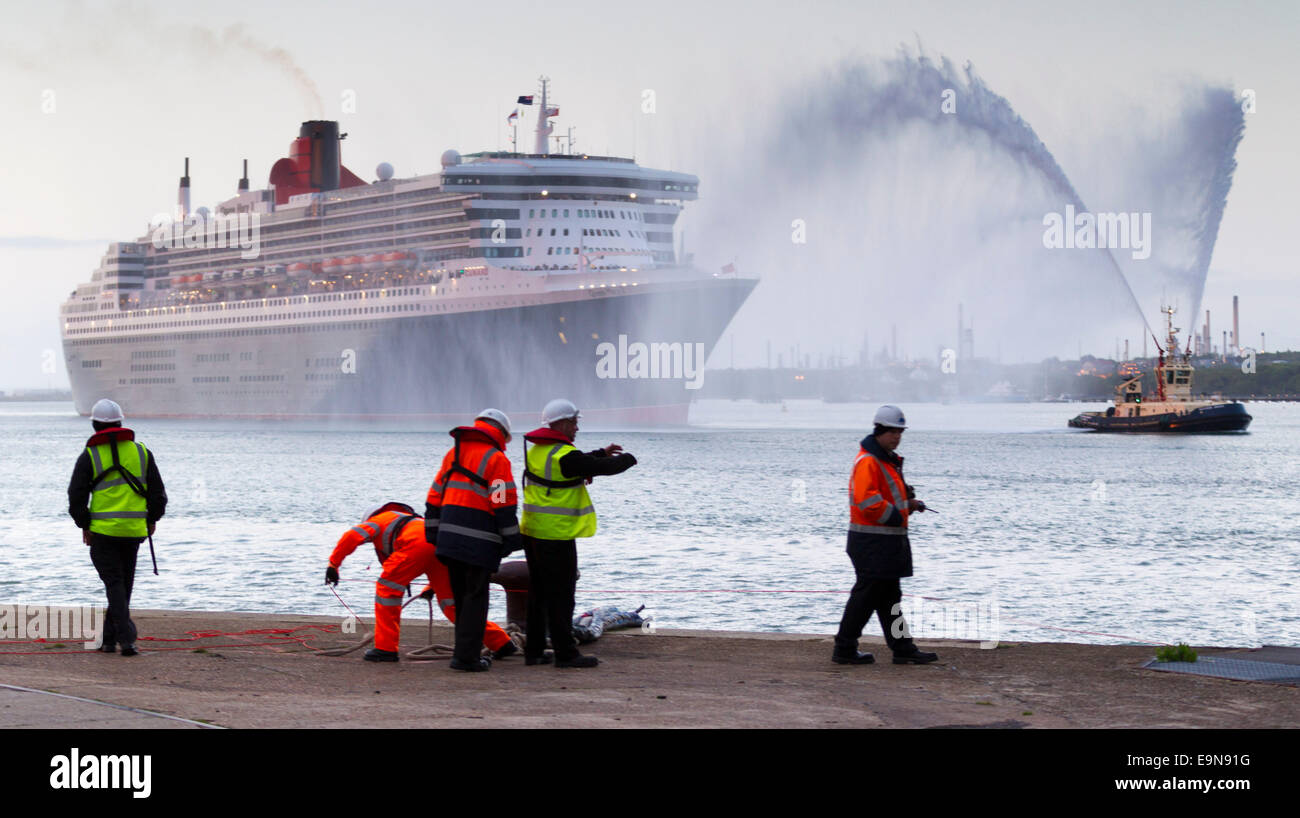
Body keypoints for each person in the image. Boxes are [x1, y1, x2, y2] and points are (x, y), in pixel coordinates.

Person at [520, 399, 636, 669]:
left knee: (538, 594)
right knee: (562, 596)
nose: (576, 428)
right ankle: (566, 653)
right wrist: (628, 459)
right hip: (556, 536)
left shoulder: (538, 451)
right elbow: (595, 467)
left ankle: (534, 651)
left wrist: (600, 453)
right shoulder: (564, 456)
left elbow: (578, 463)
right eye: (573, 422)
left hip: (532, 532)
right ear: (560, 424)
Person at [324, 502, 516, 662]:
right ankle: (500, 642)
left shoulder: (377, 521)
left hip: (415, 547)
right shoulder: (413, 521)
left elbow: (352, 536)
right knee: (452, 605)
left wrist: (333, 564)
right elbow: (429, 556)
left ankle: (386, 649)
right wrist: (432, 586)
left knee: (387, 590)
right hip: (440, 546)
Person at [832, 405, 938, 666]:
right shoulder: (869, 461)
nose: (897, 437)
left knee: (888, 597)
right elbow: (868, 502)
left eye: (900, 432)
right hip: (872, 541)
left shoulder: (885, 460)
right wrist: (901, 511)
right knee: (866, 597)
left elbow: (885, 497)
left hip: (884, 541)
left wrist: (907, 503)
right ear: (879, 431)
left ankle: (902, 648)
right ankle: (845, 648)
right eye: (892, 432)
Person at [67, 398, 167, 657]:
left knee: (114, 584)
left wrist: (84, 525)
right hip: (133, 533)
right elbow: (158, 495)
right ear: (121, 422)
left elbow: (76, 497)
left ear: (94, 426)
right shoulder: (142, 453)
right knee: (122, 585)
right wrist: (152, 519)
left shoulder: (90, 456)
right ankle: (109, 641)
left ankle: (127, 639)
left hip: (103, 533)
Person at [427, 409, 521, 672]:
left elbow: (434, 496)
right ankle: (466, 659)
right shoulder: (497, 458)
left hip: (449, 541)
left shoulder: (453, 454)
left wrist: (434, 534)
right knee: (475, 600)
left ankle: (463, 652)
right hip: (479, 542)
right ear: (501, 434)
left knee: (461, 599)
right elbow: (502, 502)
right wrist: (512, 539)